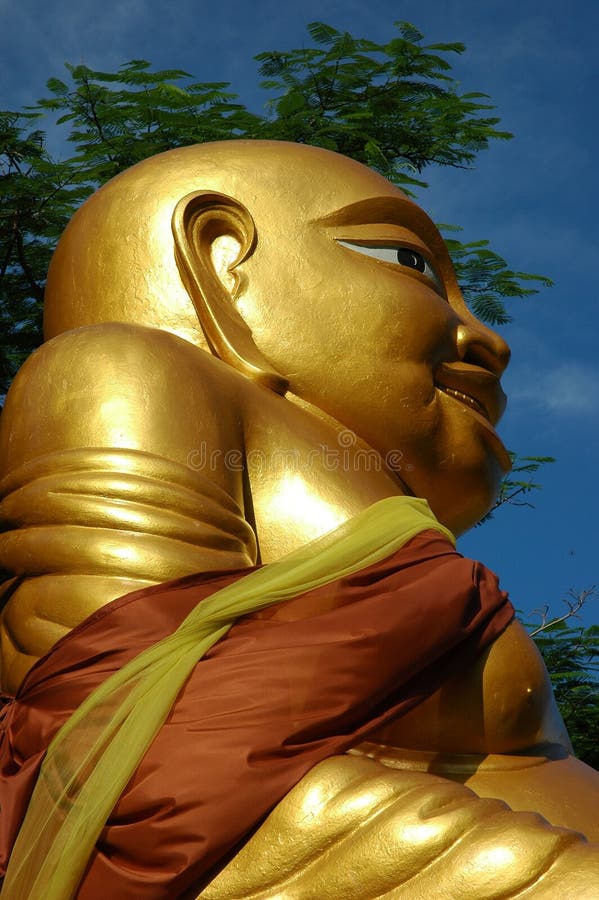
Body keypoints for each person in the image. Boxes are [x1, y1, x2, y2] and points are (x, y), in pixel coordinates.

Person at [0, 141, 597, 898]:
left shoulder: (376, 504)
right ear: (218, 262)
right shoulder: (126, 369)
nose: (488, 339)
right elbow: (125, 763)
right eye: (410, 264)